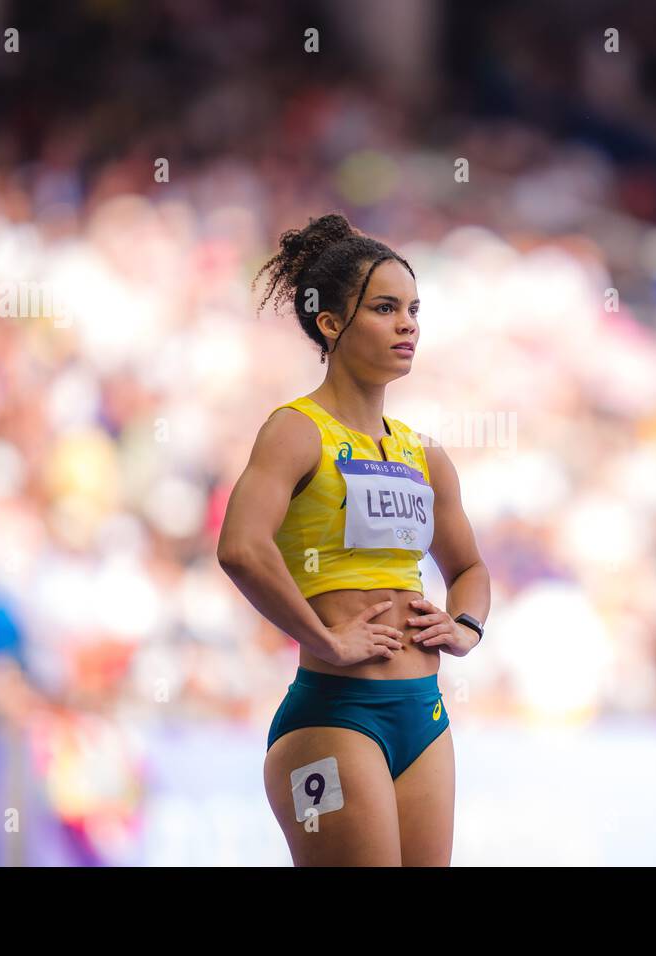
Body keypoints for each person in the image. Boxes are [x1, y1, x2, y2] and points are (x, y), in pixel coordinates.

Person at [217, 213, 491, 866]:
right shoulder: (295, 431)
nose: (408, 325)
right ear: (331, 323)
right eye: (386, 308)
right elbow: (240, 548)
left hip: (423, 718)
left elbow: (471, 566)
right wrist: (326, 638)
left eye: (414, 310)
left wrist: (466, 628)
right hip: (330, 721)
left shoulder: (426, 454)